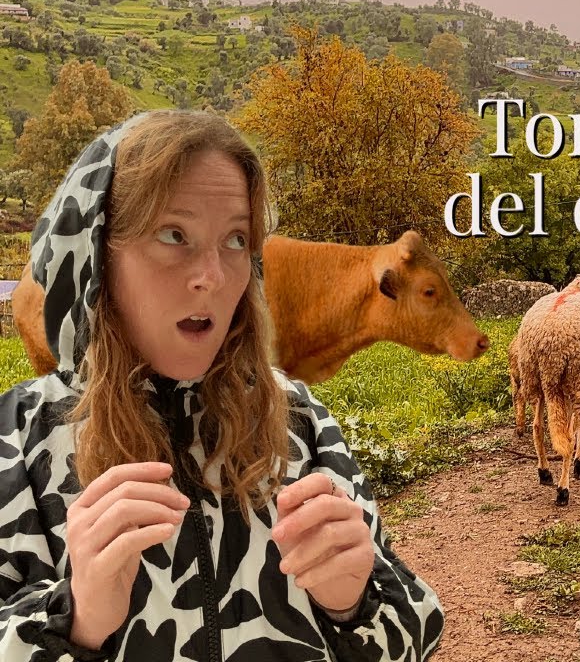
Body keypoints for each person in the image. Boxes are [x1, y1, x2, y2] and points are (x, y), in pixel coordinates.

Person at [0, 110, 444, 660]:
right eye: (174, 234)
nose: (212, 273)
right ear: (95, 252)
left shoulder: (301, 423)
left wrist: (354, 606)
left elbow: (410, 629)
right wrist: (74, 621)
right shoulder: (18, 444)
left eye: (236, 239)